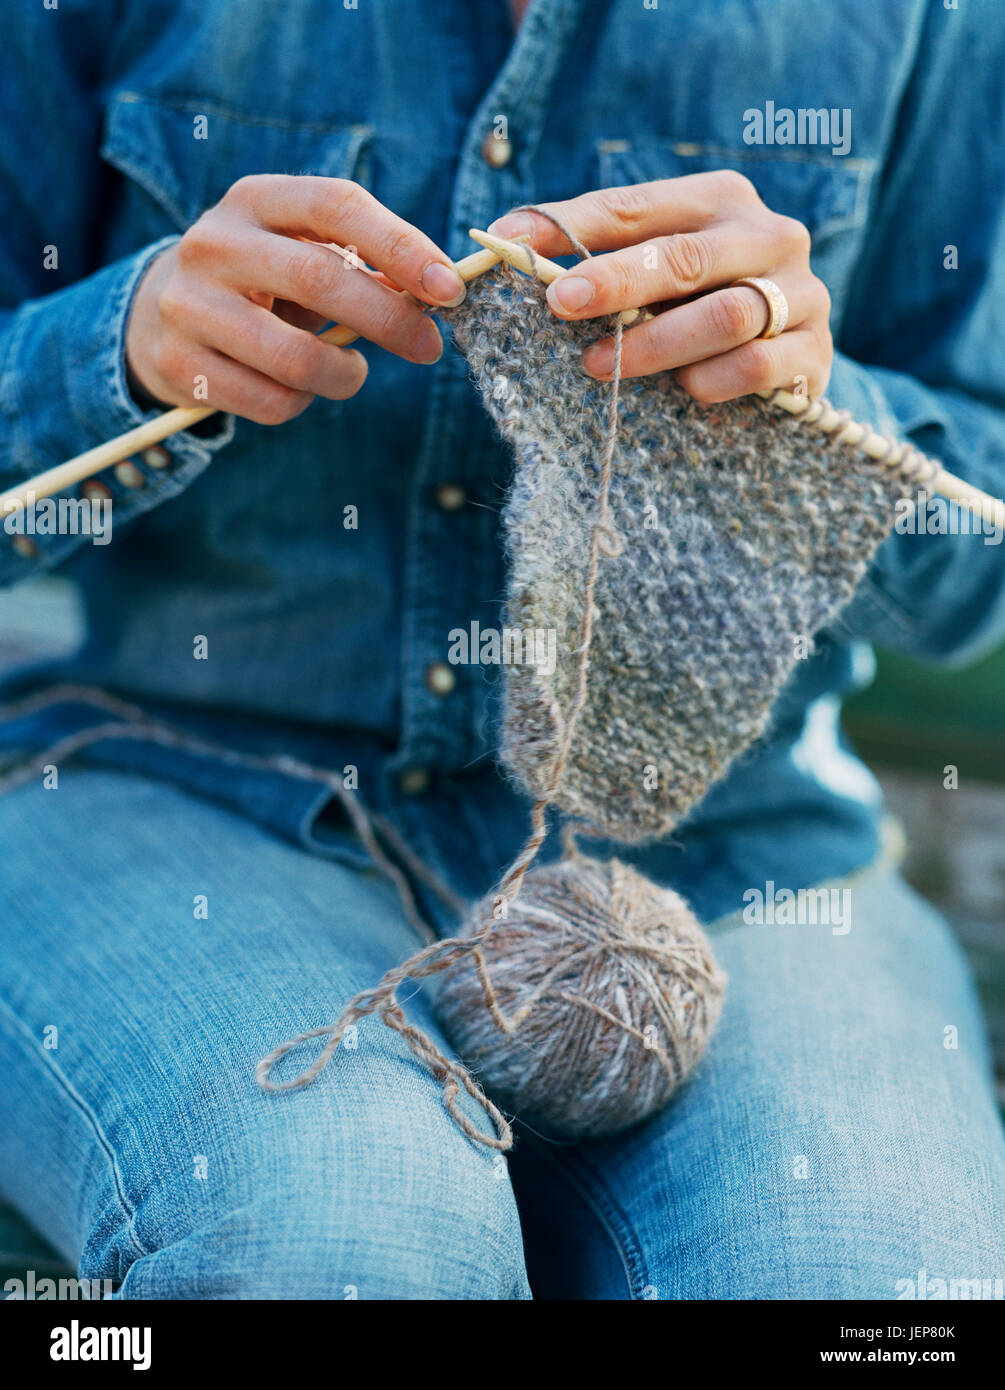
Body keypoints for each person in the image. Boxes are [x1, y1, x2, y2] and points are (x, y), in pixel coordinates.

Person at [1, 0, 1003, 1300]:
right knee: (345, 1233)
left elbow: (974, 559)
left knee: (867, 1286)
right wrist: (115, 351)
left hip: (729, 853)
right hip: (181, 782)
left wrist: (810, 412)